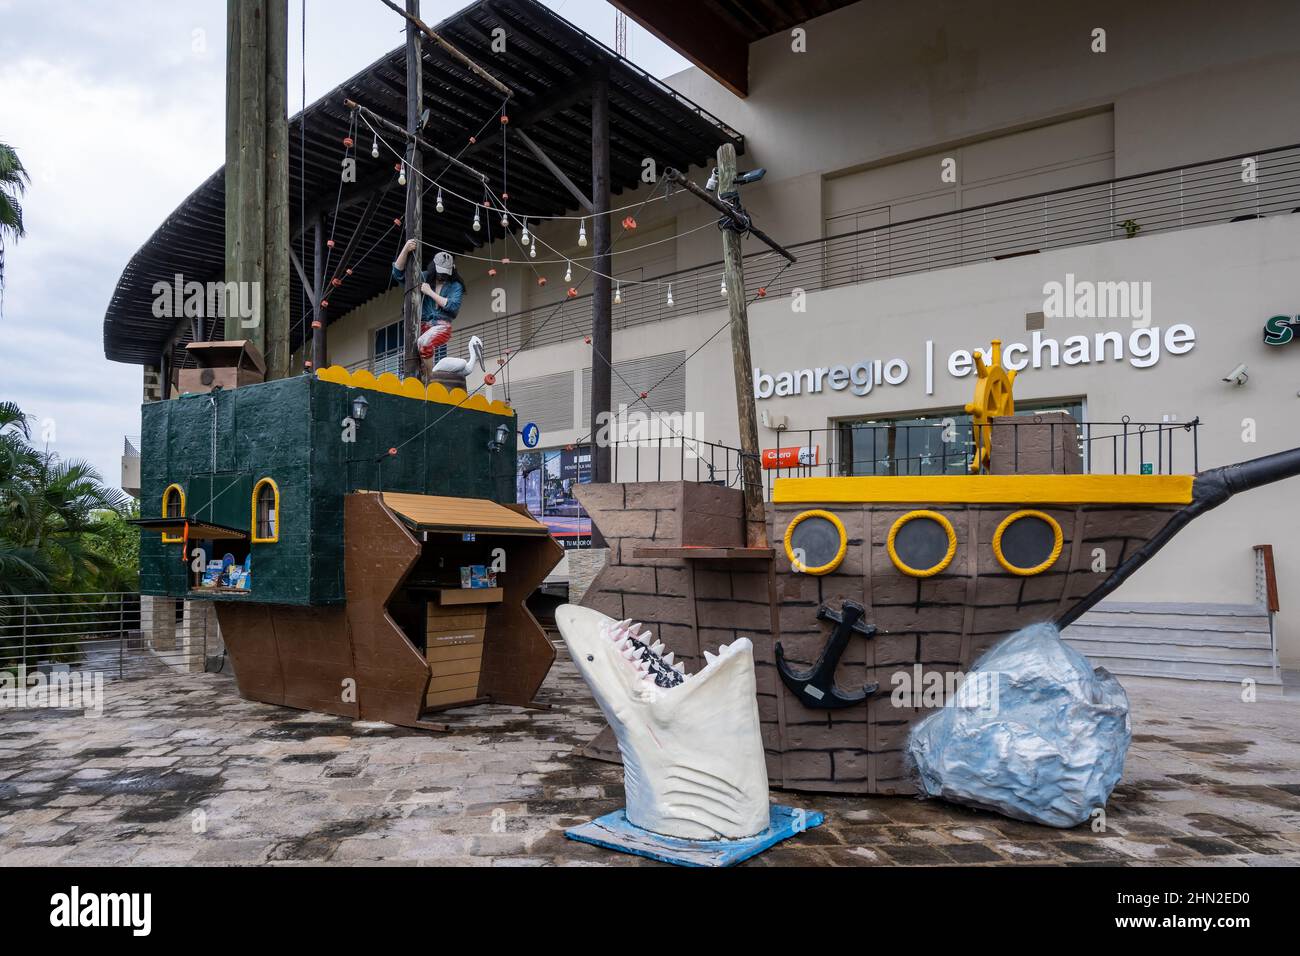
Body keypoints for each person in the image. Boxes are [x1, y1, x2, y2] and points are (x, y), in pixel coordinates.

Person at [391, 241, 465, 365]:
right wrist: (405, 249)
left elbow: (453, 306)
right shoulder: (424, 277)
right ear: (434, 267)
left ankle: (430, 377)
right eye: (440, 272)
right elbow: (398, 274)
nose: (442, 275)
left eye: (445, 273)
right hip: (420, 325)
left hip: (441, 325)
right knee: (409, 357)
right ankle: (424, 376)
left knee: (424, 342)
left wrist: (430, 292)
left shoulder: (455, 286)